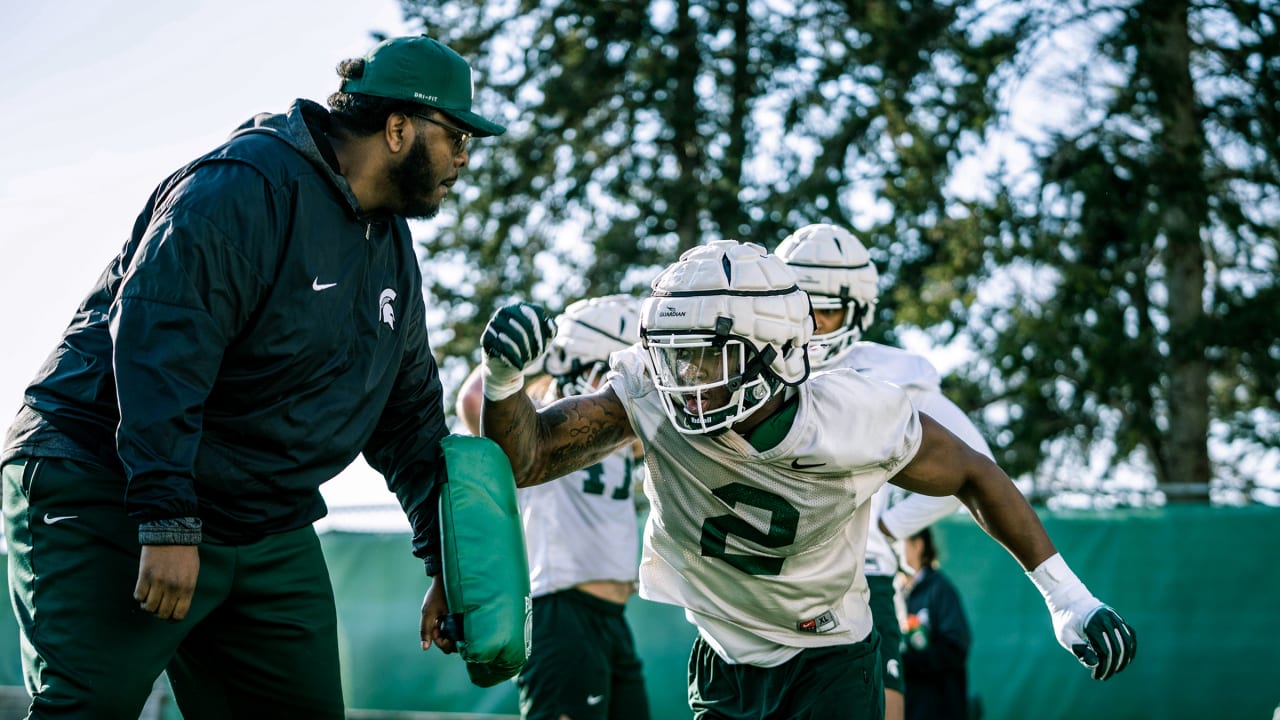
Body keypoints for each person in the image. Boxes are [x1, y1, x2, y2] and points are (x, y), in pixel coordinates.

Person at [0, 35, 505, 719]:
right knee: (86, 711)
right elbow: (157, 347)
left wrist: (450, 563)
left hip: (258, 516)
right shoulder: (245, 186)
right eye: (457, 136)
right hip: (103, 482)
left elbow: (409, 421)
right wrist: (167, 520)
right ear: (398, 128)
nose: (465, 158)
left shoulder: (390, 252)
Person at [477, 240, 1136, 719]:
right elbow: (528, 457)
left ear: (776, 352)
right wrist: (505, 383)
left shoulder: (856, 414)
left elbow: (974, 472)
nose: (685, 379)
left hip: (830, 662)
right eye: (675, 356)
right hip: (724, 661)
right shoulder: (649, 390)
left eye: (708, 357)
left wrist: (1066, 598)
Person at [776, 222, 995, 720]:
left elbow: (975, 465)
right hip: (774, 583)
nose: (809, 327)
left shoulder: (884, 373)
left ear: (856, 309)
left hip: (862, 577)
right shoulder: (755, 370)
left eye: (824, 310)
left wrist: (886, 528)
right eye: (799, 309)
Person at [456, 294, 651, 720]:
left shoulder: (611, 430)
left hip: (610, 617)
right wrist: (532, 353)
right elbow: (474, 399)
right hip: (561, 615)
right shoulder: (535, 425)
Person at [900, 528, 973, 720]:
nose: (890, 549)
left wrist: (904, 662)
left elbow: (955, 648)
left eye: (897, 542)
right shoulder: (888, 594)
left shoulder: (939, 589)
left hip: (938, 708)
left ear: (918, 545)